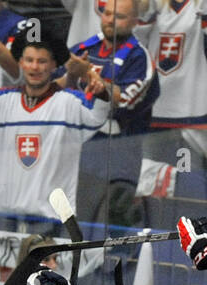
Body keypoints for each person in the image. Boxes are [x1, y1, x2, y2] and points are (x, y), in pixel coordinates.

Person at [0, 34, 111, 231]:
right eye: (29, 60)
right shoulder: (5, 102)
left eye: (42, 61)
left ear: (54, 65)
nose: (35, 66)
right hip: (6, 217)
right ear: (21, 63)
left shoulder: (69, 103)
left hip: (51, 219)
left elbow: (99, 112)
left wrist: (94, 81)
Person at [65, 0, 159, 231]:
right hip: (74, 145)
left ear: (135, 21)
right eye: (107, 13)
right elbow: (57, 87)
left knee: (111, 224)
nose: (110, 20)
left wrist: (87, 73)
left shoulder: (139, 57)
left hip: (116, 153)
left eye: (119, 16)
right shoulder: (83, 48)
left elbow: (126, 98)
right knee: (70, 220)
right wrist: (69, 74)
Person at [136, 0, 207, 173]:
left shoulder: (201, 4)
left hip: (192, 99)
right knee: (149, 170)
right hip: (156, 100)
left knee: (190, 170)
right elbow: (136, 38)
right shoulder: (153, 4)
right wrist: (139, 8)